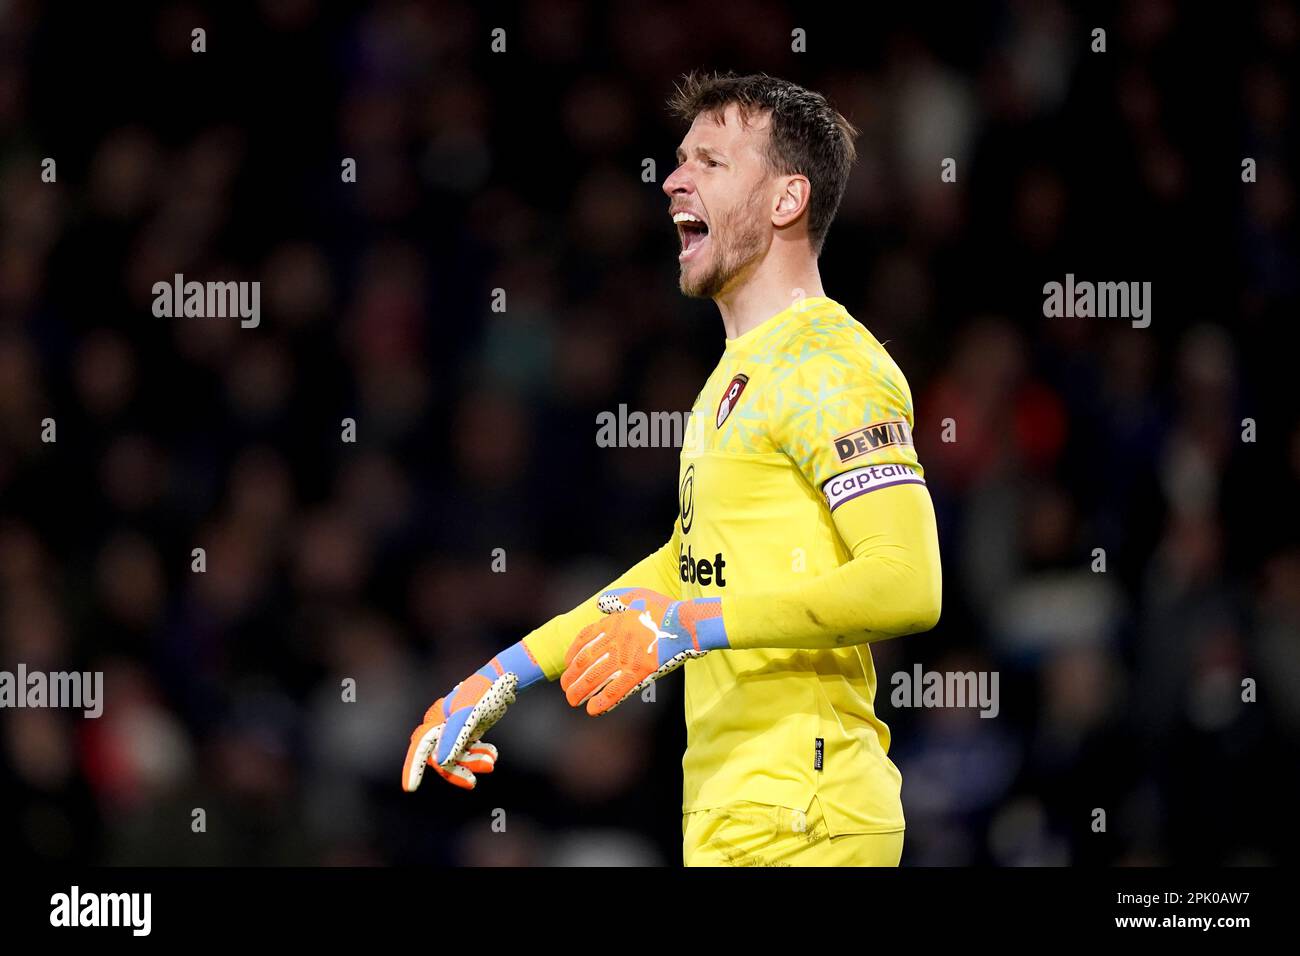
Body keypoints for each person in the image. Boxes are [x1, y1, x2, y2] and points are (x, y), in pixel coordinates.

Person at [402, 71, 942, 867]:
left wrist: (690, 630)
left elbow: (906, 582)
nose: (672, 179)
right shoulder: (733, 376)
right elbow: (684, 569)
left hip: (809, 815)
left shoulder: (828, 365)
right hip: (737, 817)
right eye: (680, 159)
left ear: (786, 200)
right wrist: (501, 677)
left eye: (712, 163)